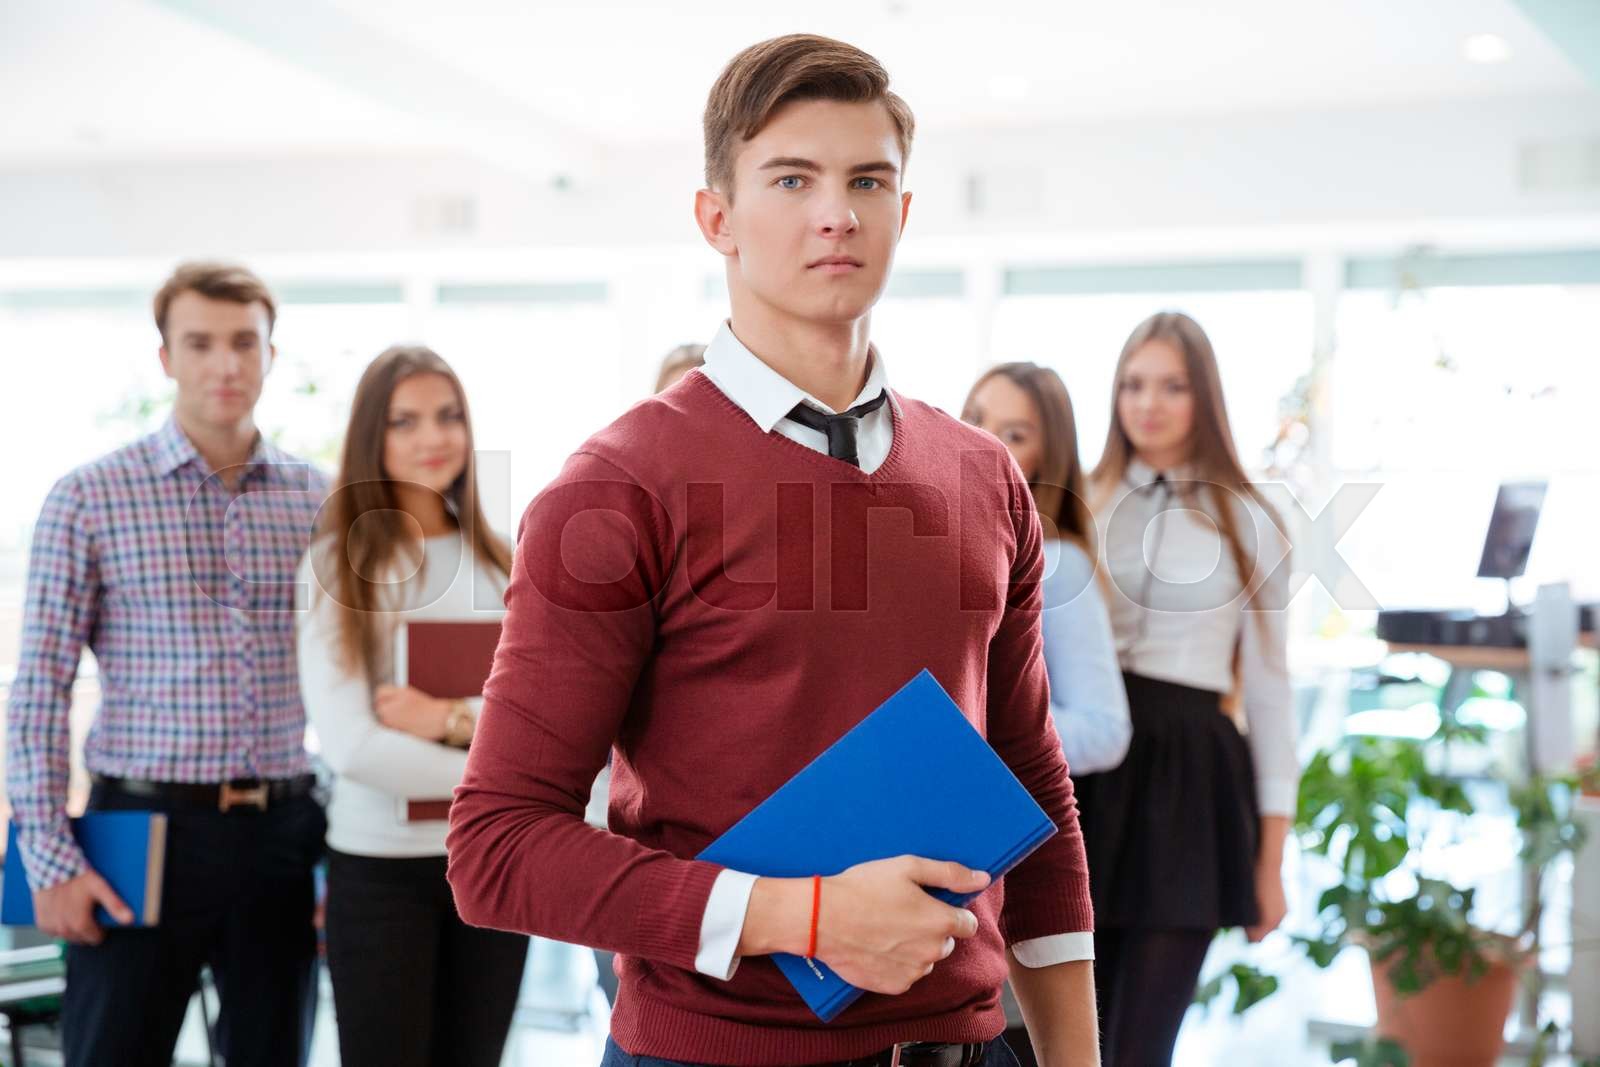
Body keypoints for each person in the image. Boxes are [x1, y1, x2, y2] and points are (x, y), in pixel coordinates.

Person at [446, 34, 1099, 1067]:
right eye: (791, 178)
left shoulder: (984, 475)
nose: (835, 212)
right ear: (718, 218)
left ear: (902, 212)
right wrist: (798, 916)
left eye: (866, 180)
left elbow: (1032, 786)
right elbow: (497, 849)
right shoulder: (616, 485)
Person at [5, 261, 328, 1067]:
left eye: (244, 342)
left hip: (283, 835)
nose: (226, 363)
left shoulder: (321, 501)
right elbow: (39, 688)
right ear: (165, 358)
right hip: (137, 831)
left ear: (270, 354)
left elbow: (354, 678)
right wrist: (48, 860)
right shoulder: (88, 496)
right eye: (201, 342)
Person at [1075, 311, 1298, 1066]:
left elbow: (1270, 694)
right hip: (1092, 772)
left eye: (1172, 385)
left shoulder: (1252, 521)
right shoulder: (1083, 502)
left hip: (1192, 779)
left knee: (1143, 1046)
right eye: (1133, 384)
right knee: (1073, 1037)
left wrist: (1271, 861)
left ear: (1204, 396)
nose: (1149, 403)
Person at [297, 346, 528, 1066]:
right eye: (406, 421)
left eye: (448, 415)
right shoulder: (341, 563)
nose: (433, 437)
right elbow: (354, 747)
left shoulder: (506, 559)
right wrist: (510, 788)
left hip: (489, 865)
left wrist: (451, 717)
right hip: (382, 870)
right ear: (374, 436)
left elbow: (547, 724)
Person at [962, 363, 1130, 1067]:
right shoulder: (944, 544)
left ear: (1047, 453)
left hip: (1015, 842)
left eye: (1016, 432)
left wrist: (973, 738)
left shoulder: (1056, 561)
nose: (987, 441)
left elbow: (1104, 725)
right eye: (977, 417)